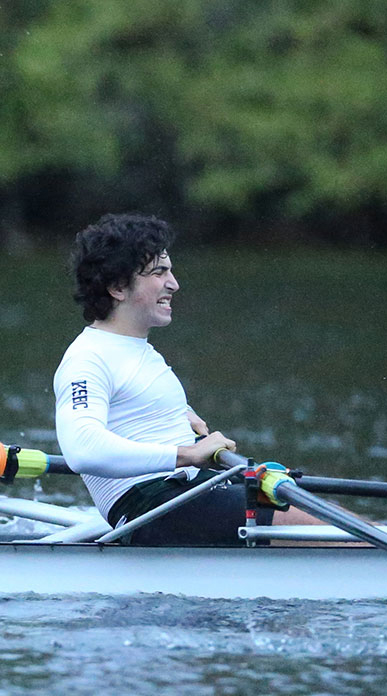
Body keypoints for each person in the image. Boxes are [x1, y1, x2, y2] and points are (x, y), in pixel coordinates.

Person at [52, 213, 317, 544]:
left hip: (187, 490)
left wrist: (178, 414)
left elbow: (134, 407)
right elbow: (83, 450)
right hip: (152, 507)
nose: (174, 283)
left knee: (317, 512)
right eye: (159, 272)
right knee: (332, 532)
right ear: (118, 287)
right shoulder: (87, 359)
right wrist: (186, 453)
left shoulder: (136, 351)